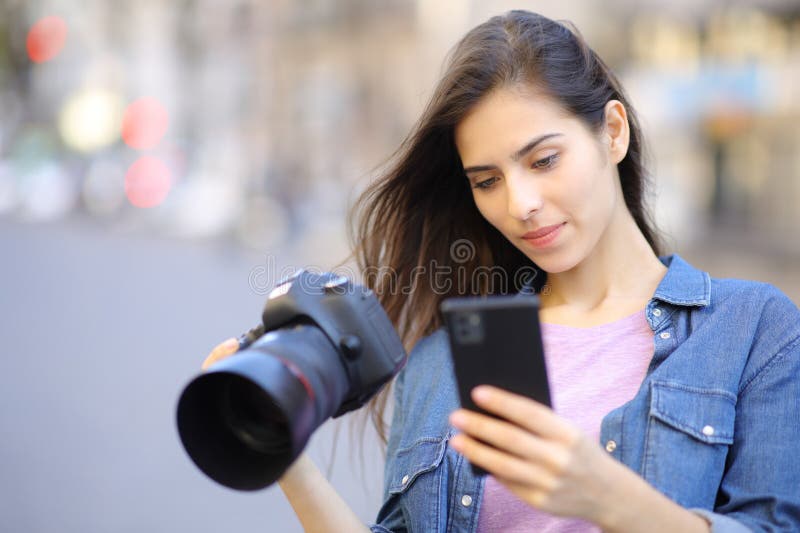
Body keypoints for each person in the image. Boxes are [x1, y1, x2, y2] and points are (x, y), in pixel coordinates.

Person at [203, 10, 800, 532]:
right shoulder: (440, 364)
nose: (520, 204)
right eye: (486, 181)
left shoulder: (752, 329)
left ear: (612, 132)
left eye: (543, 160)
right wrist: (284, 455)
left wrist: (613, 500)